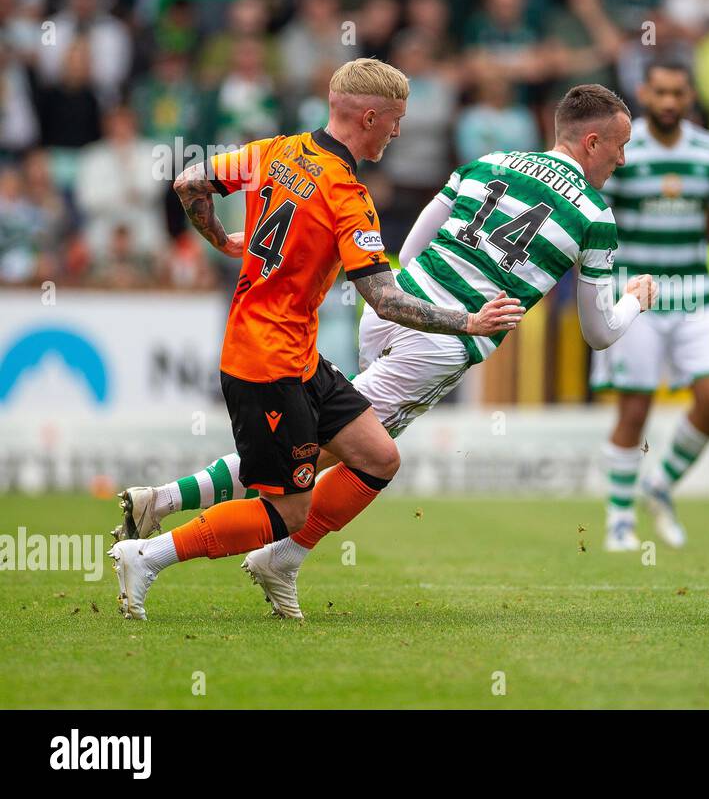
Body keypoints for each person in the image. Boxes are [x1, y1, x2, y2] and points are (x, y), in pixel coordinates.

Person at [114, 82, 657, 619]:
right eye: (620, 146)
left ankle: (183, 512)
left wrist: (226, 241)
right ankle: (179, 547)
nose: (623, 158)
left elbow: (414, 243)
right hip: (390, 339)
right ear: (591, 142)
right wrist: (632, 301)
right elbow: (599, 333)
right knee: (301, 479)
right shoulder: (593, 216)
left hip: (374, 311)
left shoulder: (488, 161)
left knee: (370, 454)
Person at [590, 61, 709, 551]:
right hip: (637, 294)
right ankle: (619, 519)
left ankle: (660, 484)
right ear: (644, 93)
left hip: (696, 293)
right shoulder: (624, 150)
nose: (670, 101)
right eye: (661, 92)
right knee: (635, 408)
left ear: (690, 94)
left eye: (678, 92)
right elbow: (592, 215)